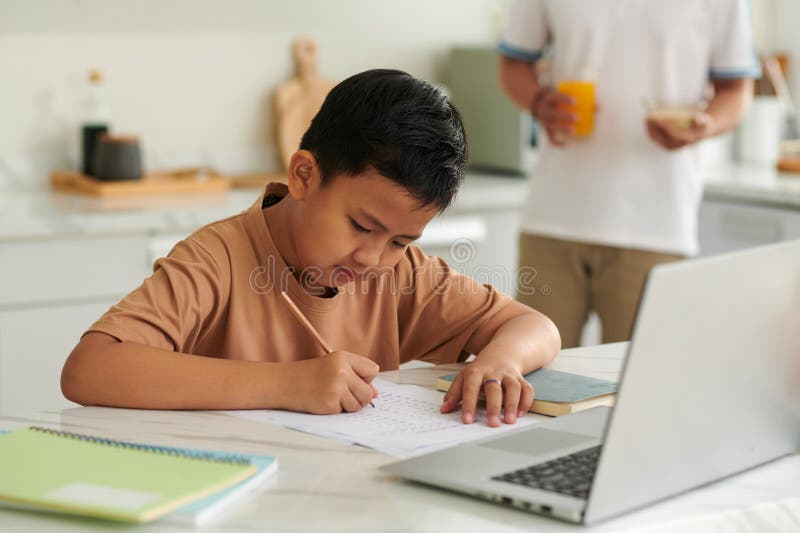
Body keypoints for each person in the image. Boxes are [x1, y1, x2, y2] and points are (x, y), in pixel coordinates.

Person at [61, 69, 561, 427]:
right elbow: (90, 369)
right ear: (304, 175)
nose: (373, 258)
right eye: (361, 225)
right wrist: (285, 384)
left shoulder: (400, 273)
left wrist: (502, 361)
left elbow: (534, 326)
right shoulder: (217, 258)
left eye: (401, 240)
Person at [498, 0, 759, 348]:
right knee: (533, 383)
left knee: (637, 390)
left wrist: (705, 124)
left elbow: (737, 90)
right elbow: (513, 64)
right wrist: (538, 101)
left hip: (656, 227)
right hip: (552, 220)